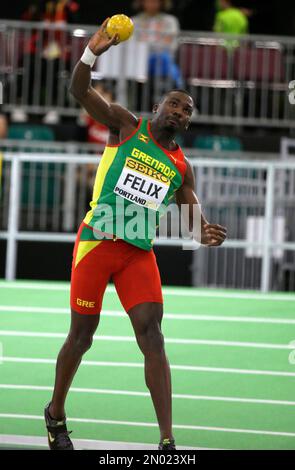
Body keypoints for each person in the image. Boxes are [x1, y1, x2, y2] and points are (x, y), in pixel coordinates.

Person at [44, 19, 227, 451]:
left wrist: (204, 234)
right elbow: (79, 90)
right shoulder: (126, 125)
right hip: (97, 242)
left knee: (153, 335)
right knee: (82, 336)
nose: (180, 112)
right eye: (174, 105)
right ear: (159, 107)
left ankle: (166, 440)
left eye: (187, 110)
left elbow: (190, 224)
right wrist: (93, 50)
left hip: (137, 254)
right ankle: (55, 416)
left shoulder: (183, 167)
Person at [132, 0, 183, 91]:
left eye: (155, 1)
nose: (152, 4)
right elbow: (133, 45)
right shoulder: (133, 21)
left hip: (163, 59)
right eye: (148, 1)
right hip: (139, 61)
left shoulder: (170, 21)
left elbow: (172, 45)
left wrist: (148, 44)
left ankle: (179, 92)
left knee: (165, 59)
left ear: (162, 3)